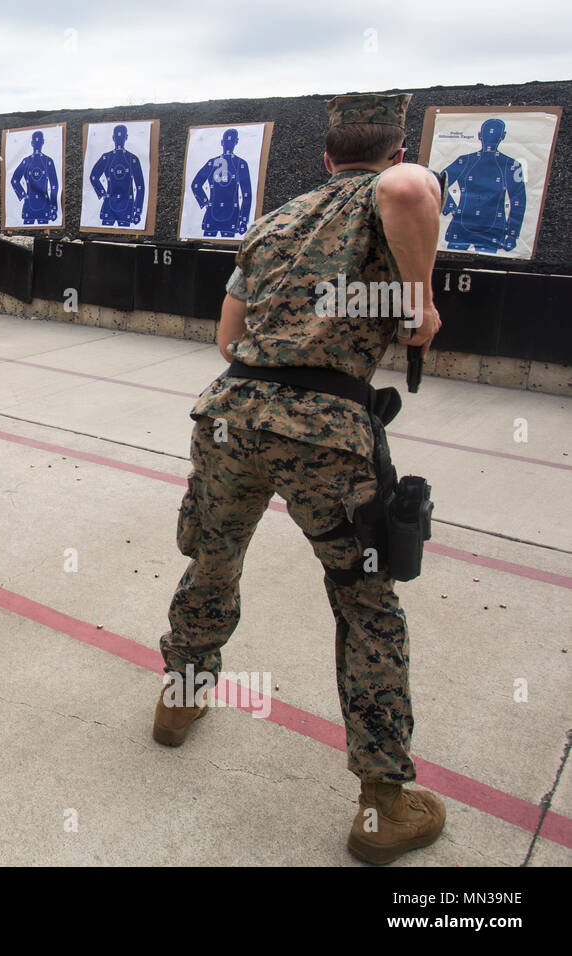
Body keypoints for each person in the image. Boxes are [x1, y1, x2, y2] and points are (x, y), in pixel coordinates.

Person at [152, 93, 446, 864]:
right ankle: (383, 806)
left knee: (212, 561)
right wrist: (421, 302)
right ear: (397, 147)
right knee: (366, 602)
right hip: (327, 432)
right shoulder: (397, 191)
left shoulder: (275, 220)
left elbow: (227, 338)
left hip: (229, 417)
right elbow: (413, 192)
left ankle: (179, 703)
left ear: (325, 155)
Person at [440, 118, 526, 253]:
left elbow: (518, 201)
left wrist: (513, 233)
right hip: (465, 226)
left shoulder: (511, 166)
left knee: (484, 264)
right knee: (452, 261)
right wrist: (450, 207)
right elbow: (439, 182)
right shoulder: (466, 161)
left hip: (490, 230)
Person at [190, 128, 252, 237]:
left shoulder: (215, 162)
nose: (229, 144)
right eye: (228, 141)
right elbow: (247, 195)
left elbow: (247, 195)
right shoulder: (240, 163)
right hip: (226, 215)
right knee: (210, 247)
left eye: (230, 141)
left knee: (221, 246)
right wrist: (243, 220)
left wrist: (205, 202)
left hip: (223, 214)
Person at [89, 124, 145, 227]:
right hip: (115, 204)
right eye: (118, 136)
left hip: (125, 205)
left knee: (118, 235)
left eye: (121, 136)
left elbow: (140, 187)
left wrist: (137, 211)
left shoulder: (131, 159)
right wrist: (103, 193)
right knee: (105, 236)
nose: (119, 139)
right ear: (114, 138)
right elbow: (93, 177)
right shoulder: (130, 158)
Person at [9, 130, 58, 224]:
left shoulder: (47, 161)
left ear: (42, 142)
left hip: (42, 204)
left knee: (42, 234)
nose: (37, 144)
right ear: (32, 143)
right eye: (36, 142)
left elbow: (54, 186)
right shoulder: (28, 161)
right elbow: (14, 180)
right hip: (31, 203)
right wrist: (23, 194)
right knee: (26, 234)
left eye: (38, 142)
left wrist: (54, 207)